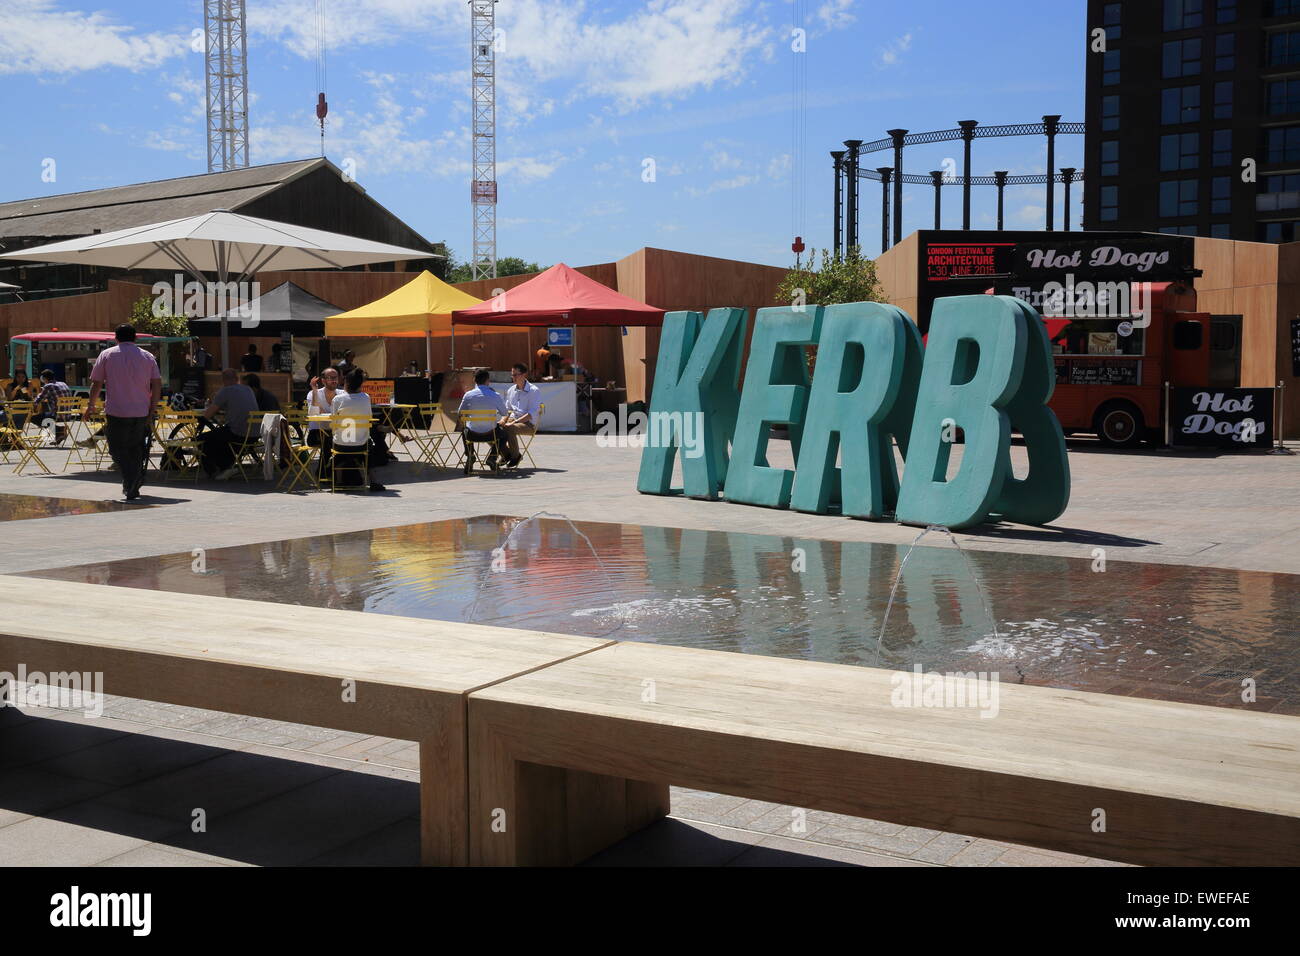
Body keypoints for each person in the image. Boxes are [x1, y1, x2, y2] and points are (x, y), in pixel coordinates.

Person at [85, 324, 162, 501]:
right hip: (141, 411)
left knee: (116, 449)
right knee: (135, 448)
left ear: (115, 337)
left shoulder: (107, 355)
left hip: (117, 411)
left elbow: (96, 383)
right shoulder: (148, 356)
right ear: (135, 338)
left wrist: (90, 406)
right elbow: (156, 383)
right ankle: (132, 482)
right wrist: (153, 408)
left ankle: (131, 479)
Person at [330, 368, 386, 492]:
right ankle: (374, 481)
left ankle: (338, 481)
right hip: (361, 445)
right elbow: (369, 417)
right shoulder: (365, 397)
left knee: (335, 446)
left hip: (341, 444)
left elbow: (333, 421)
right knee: (368, 450)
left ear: (346, 383)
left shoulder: (337, 399)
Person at [200, 368, 259, 479]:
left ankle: (217, 470)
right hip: (255, 435)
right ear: (237, 379)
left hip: (238, 433)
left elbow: (210, 412)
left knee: (203, 438)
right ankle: (227, 466)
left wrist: (201, 420)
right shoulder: (248, 389)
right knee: (221, 436)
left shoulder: (225, 390)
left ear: (223, 380)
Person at [457, 368, 508, 469]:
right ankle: (492, 457)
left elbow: (460, 413)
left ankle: (470, 455)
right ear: (488, 381)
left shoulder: (468, 395)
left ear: (474, 380)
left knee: (464, 430)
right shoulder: (495, 395)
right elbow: (504, 413)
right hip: (491, 433)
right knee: (504, 435)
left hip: (472, 434)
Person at [500, 362, 541, 467]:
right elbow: (507, 410)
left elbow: (531, 414)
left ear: (523, 375)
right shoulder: (511, 390)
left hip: (528, 424)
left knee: (510, 428)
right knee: (491, 429)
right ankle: (506, 454)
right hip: (513, 421)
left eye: (515, 375)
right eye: (512, 374)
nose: (512, 377)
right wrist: (503, 420)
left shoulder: (534, 390)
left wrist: (513, 422)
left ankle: (515, 456)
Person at [306, 367, 343, 450]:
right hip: (317, 433)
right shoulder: (313, 393)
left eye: (336, 377)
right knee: (330, 439)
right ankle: (329, 462)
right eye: (331, 378)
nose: (334, 380)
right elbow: (313, 415)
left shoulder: (342, 394)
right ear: (323, 381)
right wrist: (315, 391)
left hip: (337, 432)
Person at [31, 369, 72, 444]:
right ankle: (58, 434)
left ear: (44, 378)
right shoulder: (63, 383)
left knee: (33, 418)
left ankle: (59, 430)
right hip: (68, 415)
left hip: (58, 415)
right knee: (46, 415)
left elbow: (37, 400)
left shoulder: (48, 386)